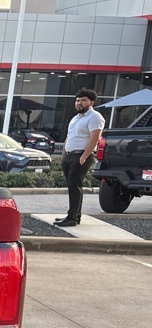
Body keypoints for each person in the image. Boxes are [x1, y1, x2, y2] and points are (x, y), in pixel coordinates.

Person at [55, 88, 105, 227]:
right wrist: (64, 154)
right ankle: (74, 216)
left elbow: (94, 139)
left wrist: (84, 157)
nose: (79, 103)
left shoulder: (95, 117)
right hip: (70, 156)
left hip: (81, 155)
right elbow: (69, 136)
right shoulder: (75, 118)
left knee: (74, 185)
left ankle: (72, 218)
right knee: (73, 186)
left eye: (83, 100)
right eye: (77, 100)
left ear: (91, 102)